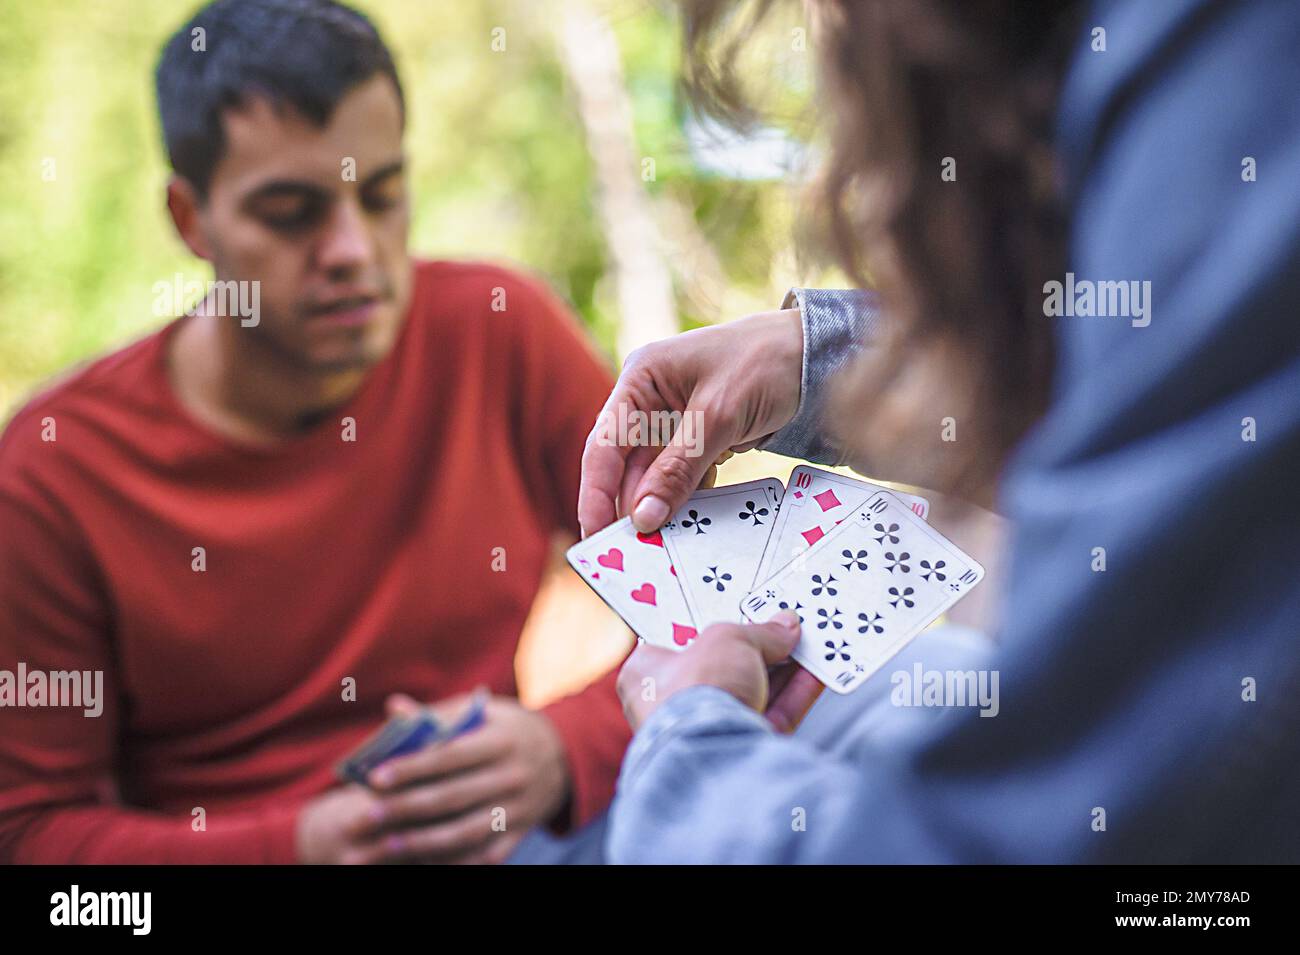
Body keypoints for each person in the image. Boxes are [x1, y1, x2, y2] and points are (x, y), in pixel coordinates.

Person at [581, 0, 1300, 862]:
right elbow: (1136, 345)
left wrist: (684, 739)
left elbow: (977, 841)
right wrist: (814, 358)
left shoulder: (1226, 56)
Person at [0, 0, 630, 864]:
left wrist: (565, 745)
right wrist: (290, 846)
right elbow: (30, 833)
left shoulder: (499, 331)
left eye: (382, 196)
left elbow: (718, 595)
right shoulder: (55, 470)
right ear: (190, 221)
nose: (354, 251)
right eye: (292, 212)